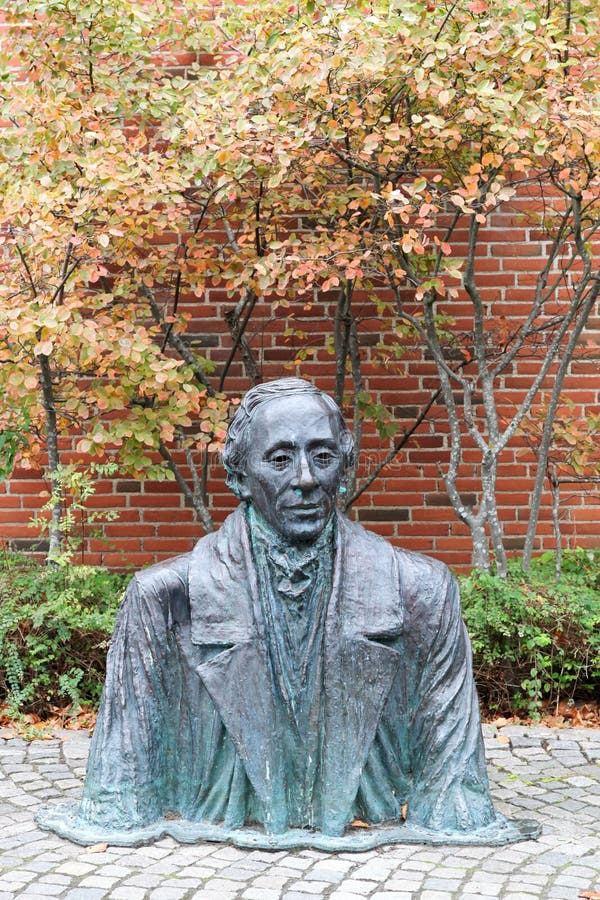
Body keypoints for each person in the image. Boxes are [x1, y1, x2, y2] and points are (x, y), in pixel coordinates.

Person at [36, 378, 539, 849]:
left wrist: (454, 813)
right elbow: (120, 792)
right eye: (279, 459)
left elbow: (455, 791)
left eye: (322, 456)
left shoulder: (422, 590)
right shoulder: (162, 598)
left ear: (344, 465)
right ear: (239, 475)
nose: (305, 479)